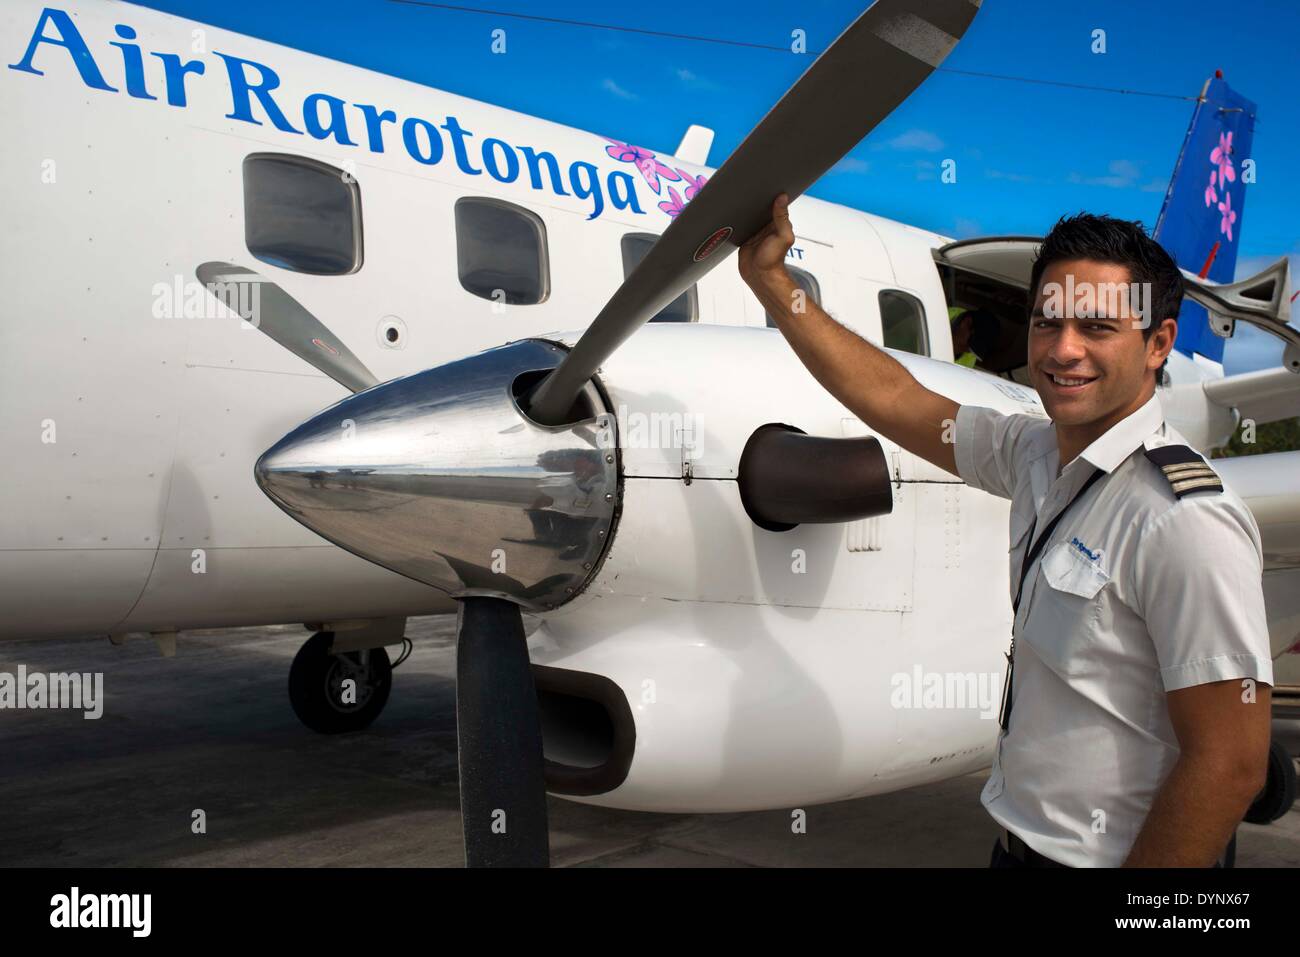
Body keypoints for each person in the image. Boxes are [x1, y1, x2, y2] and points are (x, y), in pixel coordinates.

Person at [739, 196, 1274, 868]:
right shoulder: (1033, 453)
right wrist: (773, 283)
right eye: (1046, 322)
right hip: (1014, 847)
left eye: (1096, 327)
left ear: (1158, 344)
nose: (1063, 349)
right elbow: (897, 399)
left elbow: (1231, 763)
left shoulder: (1184, 517)